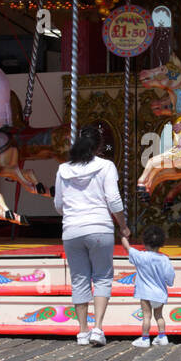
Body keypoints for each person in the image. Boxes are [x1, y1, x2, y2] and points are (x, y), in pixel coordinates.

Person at [54, 125, 128, 346]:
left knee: (79, 280)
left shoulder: (62, 170)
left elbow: (58, 204)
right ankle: (98, 328)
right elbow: (113, 200)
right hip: (99, 228)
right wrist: (123, 225)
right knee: (103, 277)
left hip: (72, 230)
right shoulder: (106, 166)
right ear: (98, 147)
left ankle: (82, 331)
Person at [123, 225, 175, 348]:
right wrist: (169, 282)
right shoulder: (165, 259)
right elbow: (170, 277)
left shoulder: (141, 256)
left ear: (145, 242)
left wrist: (123, 235)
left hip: (145, 293)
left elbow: (127, 248)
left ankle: (145, 338)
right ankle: (162, 337)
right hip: (159, 294)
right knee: (159, 316)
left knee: (147, 316)